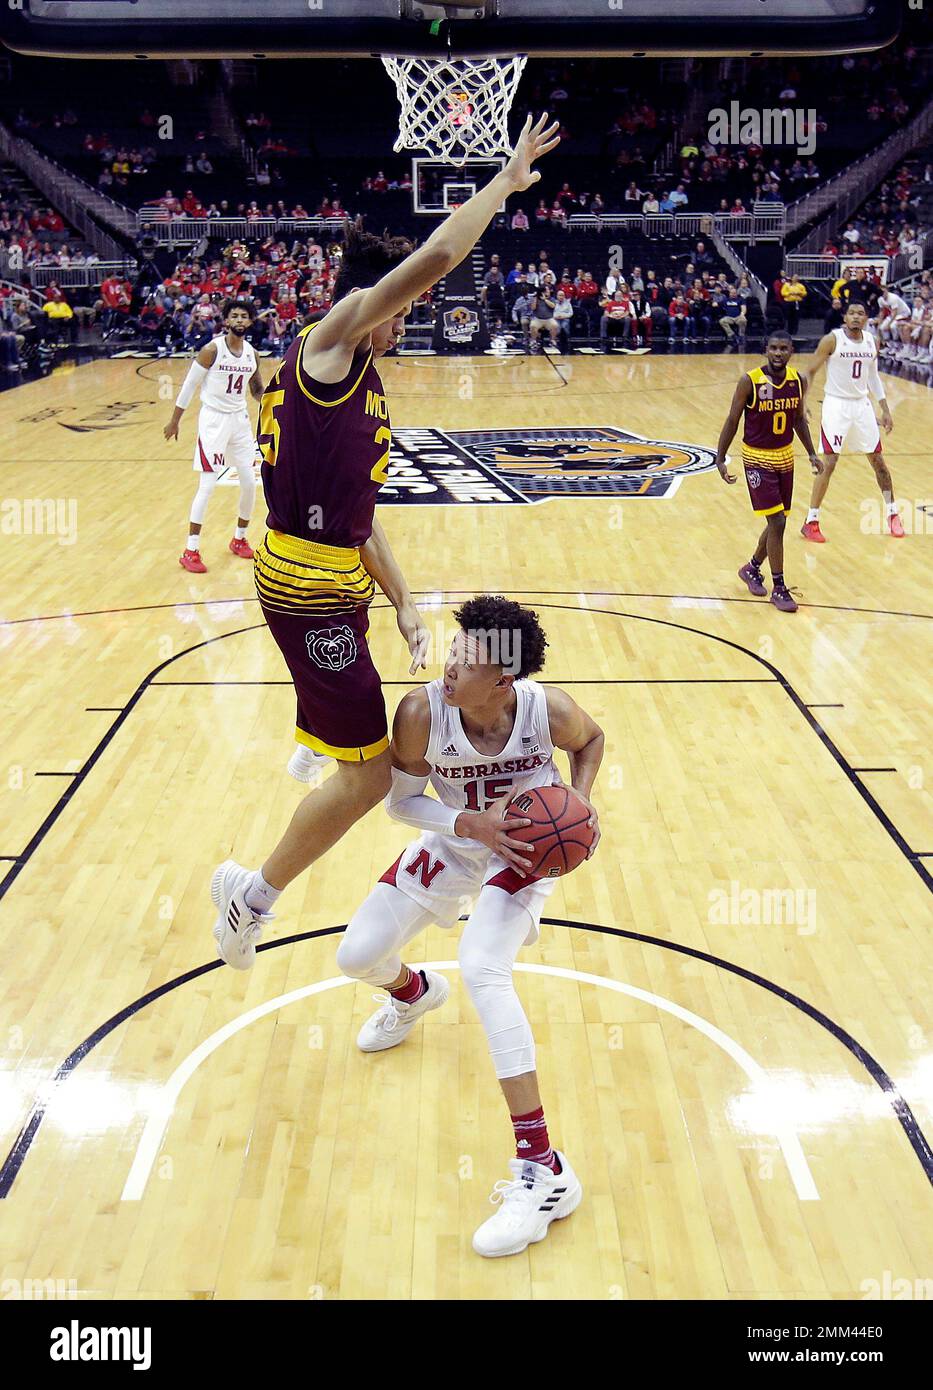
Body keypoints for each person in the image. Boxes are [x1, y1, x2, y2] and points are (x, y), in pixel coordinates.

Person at [210, 114, 561, 969]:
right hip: (304, 590)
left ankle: (333, 764)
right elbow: (437, 258)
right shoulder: (328, 346)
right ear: (370, 301)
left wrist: (404, 604)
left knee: (359, 753)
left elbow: (359, 523)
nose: (409, 322)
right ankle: (247, 900)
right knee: (370, 778)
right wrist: (505, 183)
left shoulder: (358, 379)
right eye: (400, 310)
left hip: (332, 583)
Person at [336, 596, 603, 1258]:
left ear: (503, 681)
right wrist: (467, 824)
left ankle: (543, 1170)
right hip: (457, 843)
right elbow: (402, 804)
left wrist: (580, 804)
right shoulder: (422, 713)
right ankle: (411, 994)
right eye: (452, 651)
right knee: (356, 955)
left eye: (466, 660)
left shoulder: (550, 711)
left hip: (520, 853)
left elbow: (592, 741)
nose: (448, 665)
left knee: (485, 970)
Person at [714, 331, 822, 613]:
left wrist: (811, 452)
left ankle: (751, 568)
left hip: (786, 456)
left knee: (778, 522)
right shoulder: (749, 381)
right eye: (773, 348)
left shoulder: (798, 381)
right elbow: (732, 419)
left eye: (783, 348)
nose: (778, 353)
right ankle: (780, 587)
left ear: (791, 351)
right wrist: (721, 456)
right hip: (756, 457)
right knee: (777, 522)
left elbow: (798, 420)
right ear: (765, 350)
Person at [163, 298, 264, 572]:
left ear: (251, 322)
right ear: (226, 321)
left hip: (240, 421)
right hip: (213, 421)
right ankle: (191, 550)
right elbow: (189, 386)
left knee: (249, 482)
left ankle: (239, 539)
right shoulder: (212, 349)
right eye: (235, 316)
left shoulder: (252, 354)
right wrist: (175, 421)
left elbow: (257, 390)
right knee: (207, 485)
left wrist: (279, 403)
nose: (240, 320)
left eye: (245, 316)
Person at [801, 302, 900, 541]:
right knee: (830, 462)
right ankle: (811, 521)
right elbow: (810, 371)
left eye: (861, 313)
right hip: (836, 405)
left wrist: (885, 408)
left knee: (878, 461)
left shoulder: (871, 341)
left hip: (862, 406)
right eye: (852, 313)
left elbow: (873, 376)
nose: (856, 317)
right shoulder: (831, 340)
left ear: (866, 318)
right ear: (845, 317)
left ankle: (892, 514)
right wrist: (802, 402)